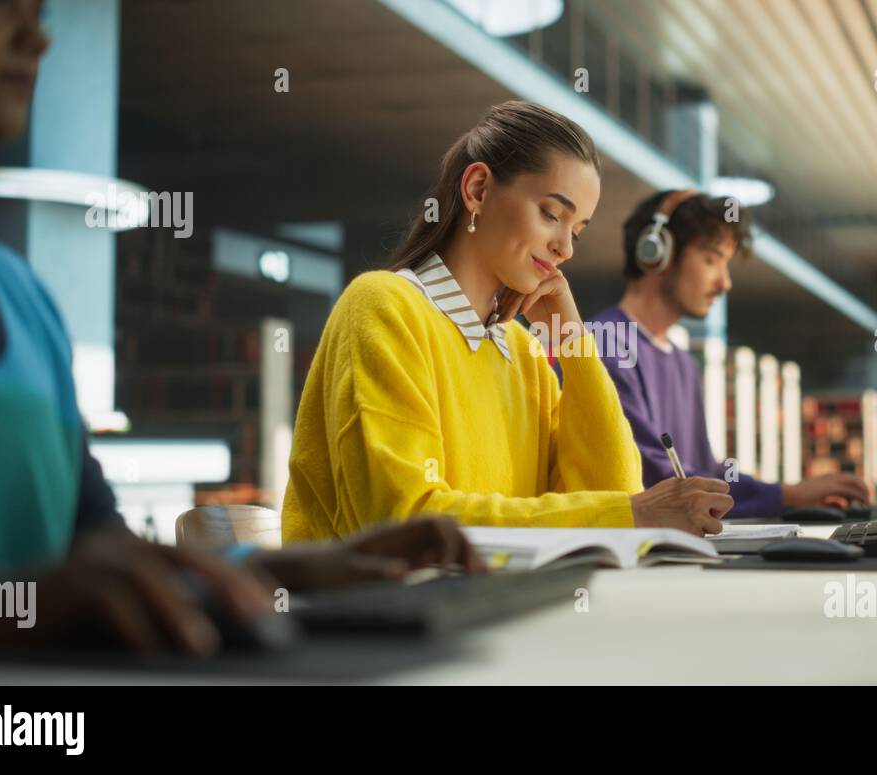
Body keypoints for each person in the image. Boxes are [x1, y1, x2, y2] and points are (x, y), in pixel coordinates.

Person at [0, 0, 480, 657]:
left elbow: (100, 547)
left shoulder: (23, 299)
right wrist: (24, 603)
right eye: (2, 4)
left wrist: (287, 570)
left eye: (41, 8)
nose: (37, 37)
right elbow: (55, 586)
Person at [282, 101, 734, 542]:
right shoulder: (383, 307)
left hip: (494, 607)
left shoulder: (525, 354)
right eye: (552, 214)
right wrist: (628, 513)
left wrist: (573, 343)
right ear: (478, 189)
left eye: (576, 230)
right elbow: (403, 520)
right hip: (376, 612)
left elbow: (611, 500)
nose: (566, 249)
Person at [590, 190, 873, 517]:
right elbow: (656, 482)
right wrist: (786, 495)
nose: (725, 283)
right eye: (711, 259)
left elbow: (701, 471)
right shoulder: (606, 344)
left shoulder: (681, 362)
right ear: (658, 253)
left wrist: (790, 494)